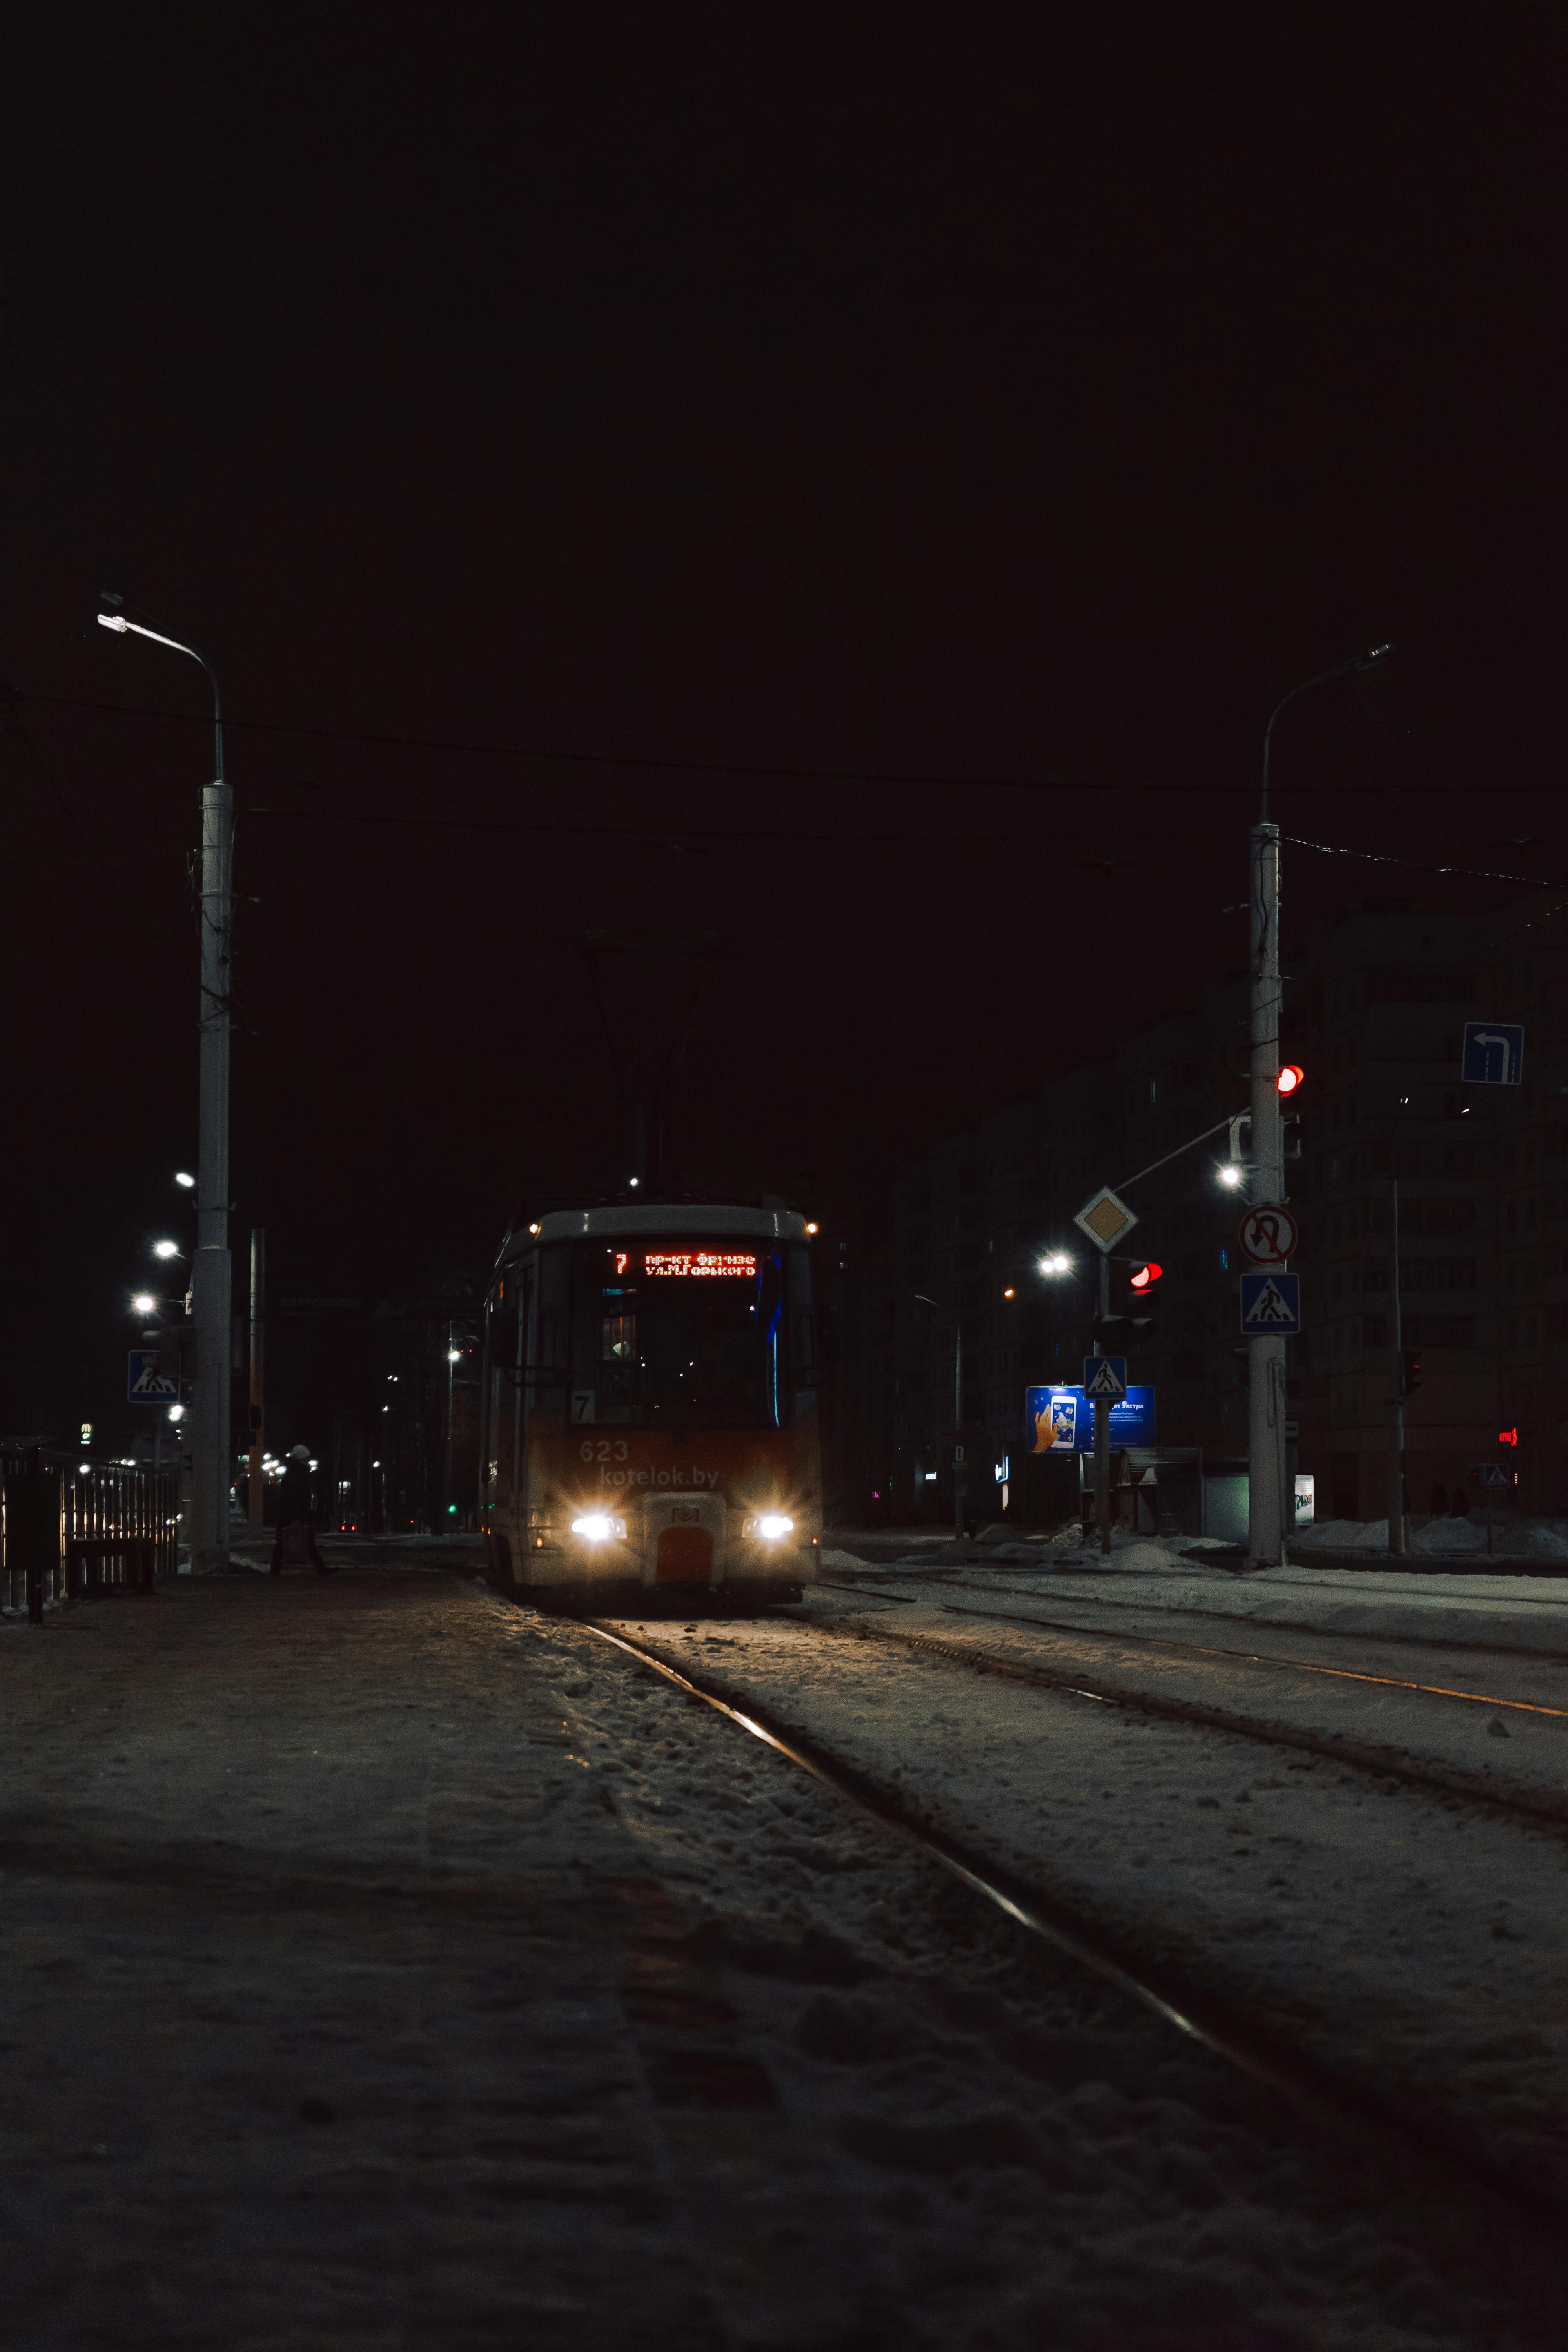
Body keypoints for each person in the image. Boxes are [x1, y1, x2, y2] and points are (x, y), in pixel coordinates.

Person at [269, 1445, 332, 1576]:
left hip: (290, 1514)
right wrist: (297, 1516)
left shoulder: (293, 1473)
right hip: (296, 1514)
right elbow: (296, 1496)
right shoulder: (299, 1474)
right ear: (303, 1459)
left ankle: (275, 1569)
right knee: (305, 1541)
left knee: (285, 1541)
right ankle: (320, 1569)